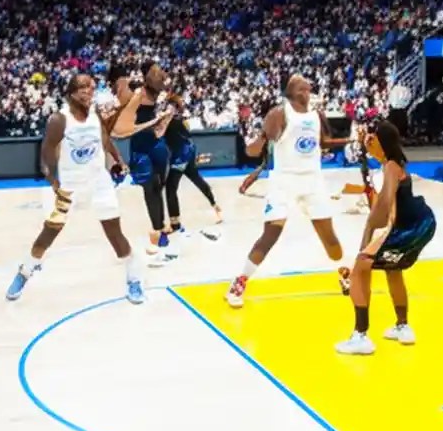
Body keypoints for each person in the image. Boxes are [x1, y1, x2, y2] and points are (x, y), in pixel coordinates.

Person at [5, 74, 145, 304]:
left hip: (99, 182)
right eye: (83, 87)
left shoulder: (95, 115)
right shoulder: (59, 120)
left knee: (115, 235)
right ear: (71, 93)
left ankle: (134, 277)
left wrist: (118, 159)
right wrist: (54, 185)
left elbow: (104, 139)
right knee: (49, 233)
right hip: (70, 185)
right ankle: (25, 271)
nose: (89, 91)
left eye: (91, 87)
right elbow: (46, 156)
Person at [225, 74, 352, 308]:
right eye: (301, 83)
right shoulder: (279, 114)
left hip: (312, 181)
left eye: (308, 84)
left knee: (329, 235)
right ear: (292, 90)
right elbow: (258, 147)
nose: (308, 85)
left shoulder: (317, 115)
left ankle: (345, 274)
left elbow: (324, 142)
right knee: (270, 235)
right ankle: (239, 281)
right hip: (284, 182)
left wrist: (351, 140)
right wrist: (254, 145)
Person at [335, 120, 436, 355]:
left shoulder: (390, 167)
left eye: (373, 137)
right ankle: (403, 326)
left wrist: (362, 257)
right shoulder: (391, 164)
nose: (369, 140)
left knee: (363, 268)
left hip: (408, 227)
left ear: (382, 141)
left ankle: (360, 335)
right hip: (423, 223)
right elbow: (377, 217)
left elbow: (380, 214)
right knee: (392, 269)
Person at [113, 62, 176, 265]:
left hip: (155, 143)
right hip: (140, 145)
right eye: (155, 72)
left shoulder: (158, 91)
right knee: (150, 189)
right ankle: (156, 236)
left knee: (158, 187)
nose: (160, 75)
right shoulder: (136, 92)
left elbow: (169, 91)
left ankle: (160, 232)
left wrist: (166, 119)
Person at [163, 94, 223, 240]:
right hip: (187, 152)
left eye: (168, 105)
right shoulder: (178, 120)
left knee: (171, 188)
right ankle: (215, 206)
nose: (165, 108)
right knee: (196, 179)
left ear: (173, 107)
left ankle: (175, 224)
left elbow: (159, 133)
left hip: (180, 155)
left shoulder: (172, 121)